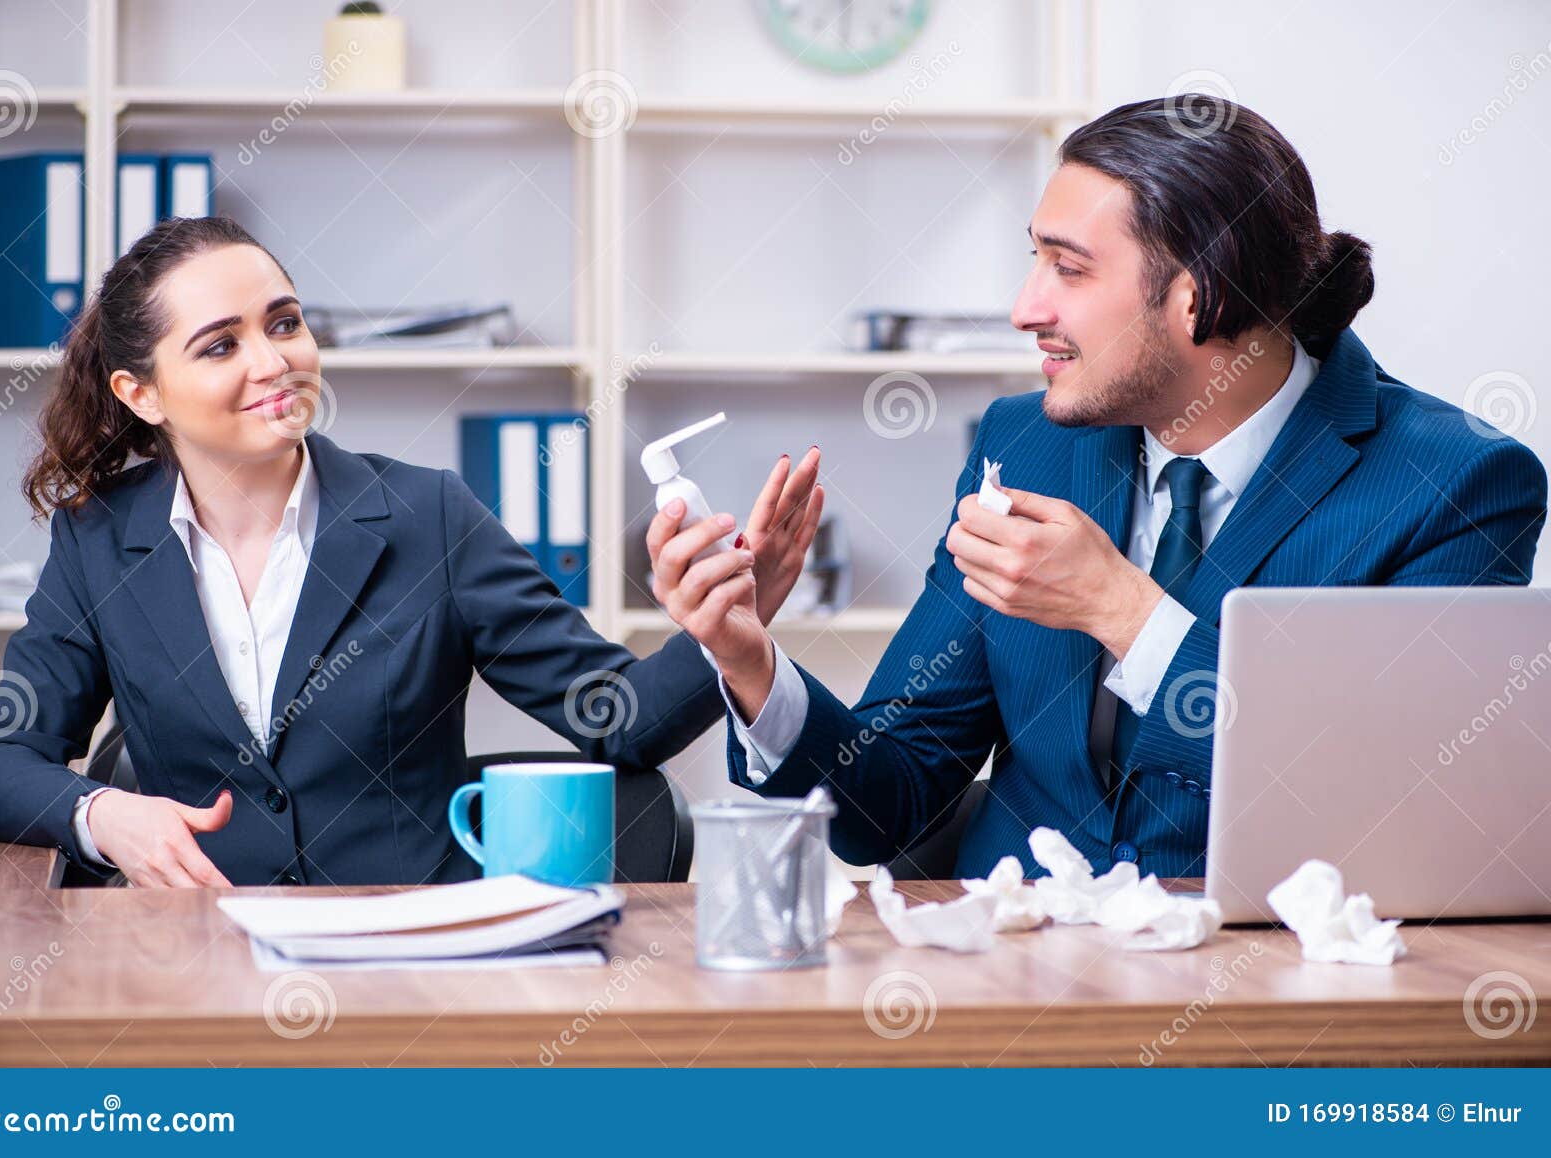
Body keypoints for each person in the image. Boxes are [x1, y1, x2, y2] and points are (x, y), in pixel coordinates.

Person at [645, 96, 1547, 881]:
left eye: (1067, 269)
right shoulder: (1025, 442)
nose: (1025, 307)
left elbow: (1394, 803)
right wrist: (748, 659)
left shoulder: (1456, 482)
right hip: (1009, 982)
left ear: (1197, 297)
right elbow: (886, 803)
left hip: (1271, 998)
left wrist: (1126, 614)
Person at [0, 216, 823, 888]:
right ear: (142, 394)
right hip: (197, 958)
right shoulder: (101, 539)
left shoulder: (425, 514)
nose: (273, 362)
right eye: (221, 345)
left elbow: (617, 717)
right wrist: (108, 818)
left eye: (284, 323)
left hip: (413, 966)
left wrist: (726, 630)